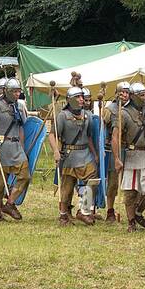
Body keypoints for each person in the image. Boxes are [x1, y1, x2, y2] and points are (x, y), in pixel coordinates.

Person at [112, 82, 145, 232]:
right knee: (130, 192)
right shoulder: (124, 113)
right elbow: (115, 137)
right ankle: (131, 222)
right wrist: (116, 158)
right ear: (133, 96)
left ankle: (138, 211)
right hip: (132, 156)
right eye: (142, 95)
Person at [0, 78, 31, 222]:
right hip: (2, 146)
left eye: (18, 91)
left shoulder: (19, 107)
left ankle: (9, 203)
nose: (17, 94)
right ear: (6, 91)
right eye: (14, 92)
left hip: (16, 147)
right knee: (0, 182)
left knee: (25, 176)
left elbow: (21, 127)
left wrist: (22, 146)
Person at [53, 86, 98, 225]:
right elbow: (52, 135)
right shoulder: (62, 116)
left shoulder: (87, 115)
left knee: (93, 180)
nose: (81, 99)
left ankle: (83, 211)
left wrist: (94, 153)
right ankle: (63, 215)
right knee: (67, 187)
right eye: (78, 97)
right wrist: (55, 150)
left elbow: (89, 136)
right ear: (70, 100)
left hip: (85, 154)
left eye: (82, 97)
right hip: (69, 155)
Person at [101, 81, 131, 223]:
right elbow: (102, 126)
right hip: (114, 149)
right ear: (117, 93)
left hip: (129, 149)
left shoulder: (132, 109)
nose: (124, 95)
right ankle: (110, 210)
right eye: (121, 92)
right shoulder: (110, 108)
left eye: (126, 92)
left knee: (130, 183)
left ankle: (131, 211)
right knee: (113, 183)